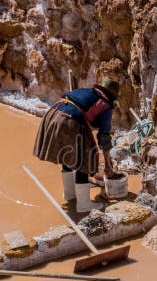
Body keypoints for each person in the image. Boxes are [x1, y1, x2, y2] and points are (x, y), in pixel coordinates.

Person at [33, 78, 120, 212]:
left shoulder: (87, 92)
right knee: (85, 158)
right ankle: (84, 204)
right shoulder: (105, 105)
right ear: (112, 96)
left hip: (52, 115)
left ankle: (70, 194)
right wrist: (108, 165)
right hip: (70, 121)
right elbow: (104, 137)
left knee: (67, 153)